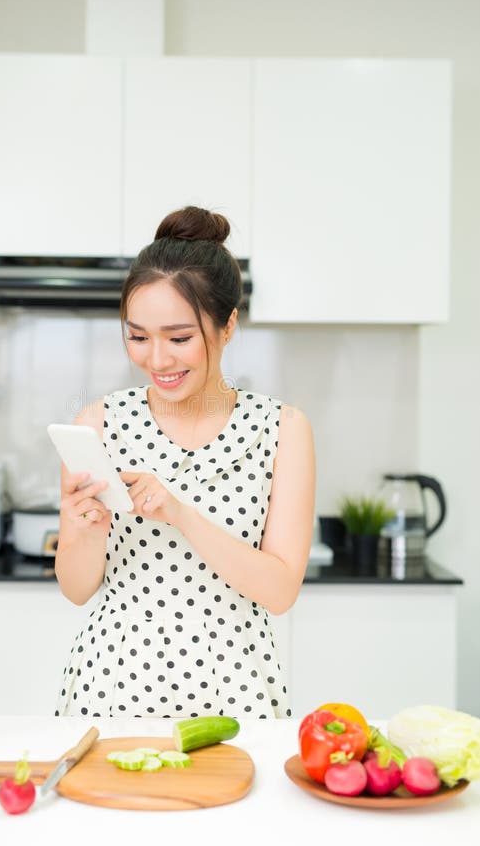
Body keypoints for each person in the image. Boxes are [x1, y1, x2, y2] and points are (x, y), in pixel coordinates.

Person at [54, 205, 315, 719]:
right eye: (137, 336)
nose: (157, 359)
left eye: (179, 338)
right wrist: (83, 528)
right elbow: (77, 588)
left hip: (237, 691)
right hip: (112, 687)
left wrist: (182, 514)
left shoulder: (282, 429)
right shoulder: (97, 424)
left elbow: (280, 591)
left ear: (227, 326)